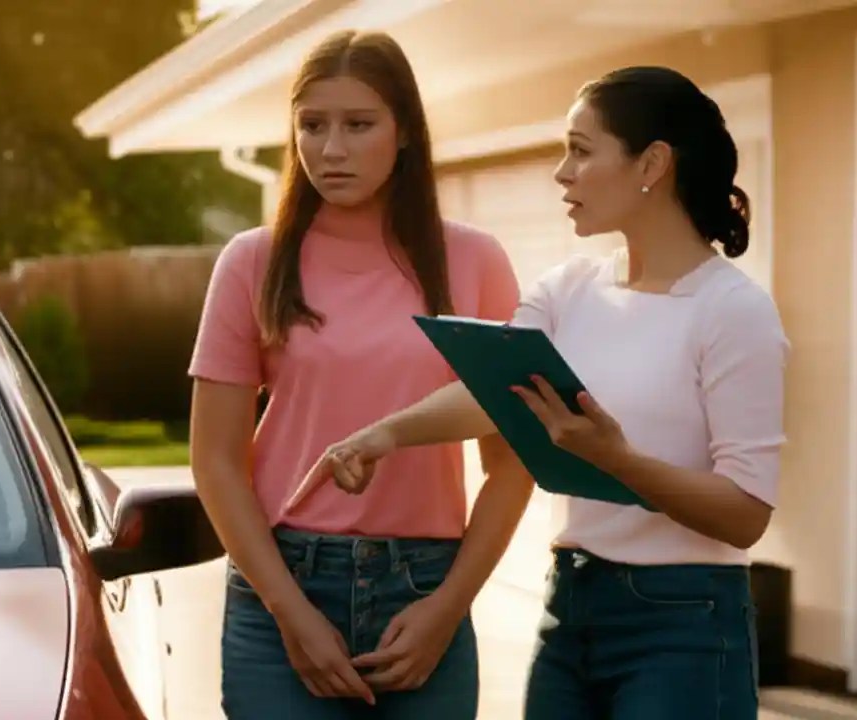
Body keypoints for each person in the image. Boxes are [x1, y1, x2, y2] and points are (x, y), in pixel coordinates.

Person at [288, 65, 789, 720]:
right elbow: (494, 392)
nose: (561, 173)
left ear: (653, 163)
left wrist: (618, 460)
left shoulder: (732, 311)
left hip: (684, 623)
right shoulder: (569, 287)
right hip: (571, 608)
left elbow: (746, 512)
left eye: (580, 151)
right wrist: (384, 434)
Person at [187, 28, 530, 720]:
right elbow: (216, 462)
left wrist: (446, 609)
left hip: (426, 590)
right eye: (311, 125)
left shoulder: (474, 262)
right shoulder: (252, 262)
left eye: (358, 124)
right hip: (282, 587)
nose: (331, 148)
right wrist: (291, 615)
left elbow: (514, 461)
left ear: (404, 131)